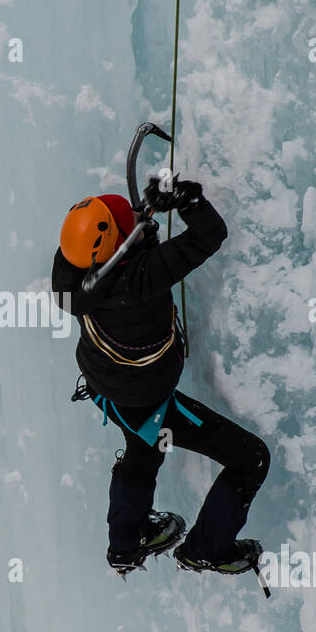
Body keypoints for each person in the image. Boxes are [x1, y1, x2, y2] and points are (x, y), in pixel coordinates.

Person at [52, 181, 270, 576]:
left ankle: (125, 543)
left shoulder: (70, 282)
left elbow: (99, 249)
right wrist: (188, 202)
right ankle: (207, 548)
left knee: (144, 449)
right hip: (147, 401)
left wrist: (134, 234)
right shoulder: (142, 277)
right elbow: (209, 235)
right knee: (251, 460)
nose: (137, 217)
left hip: (110, 393)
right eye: (129, 222)